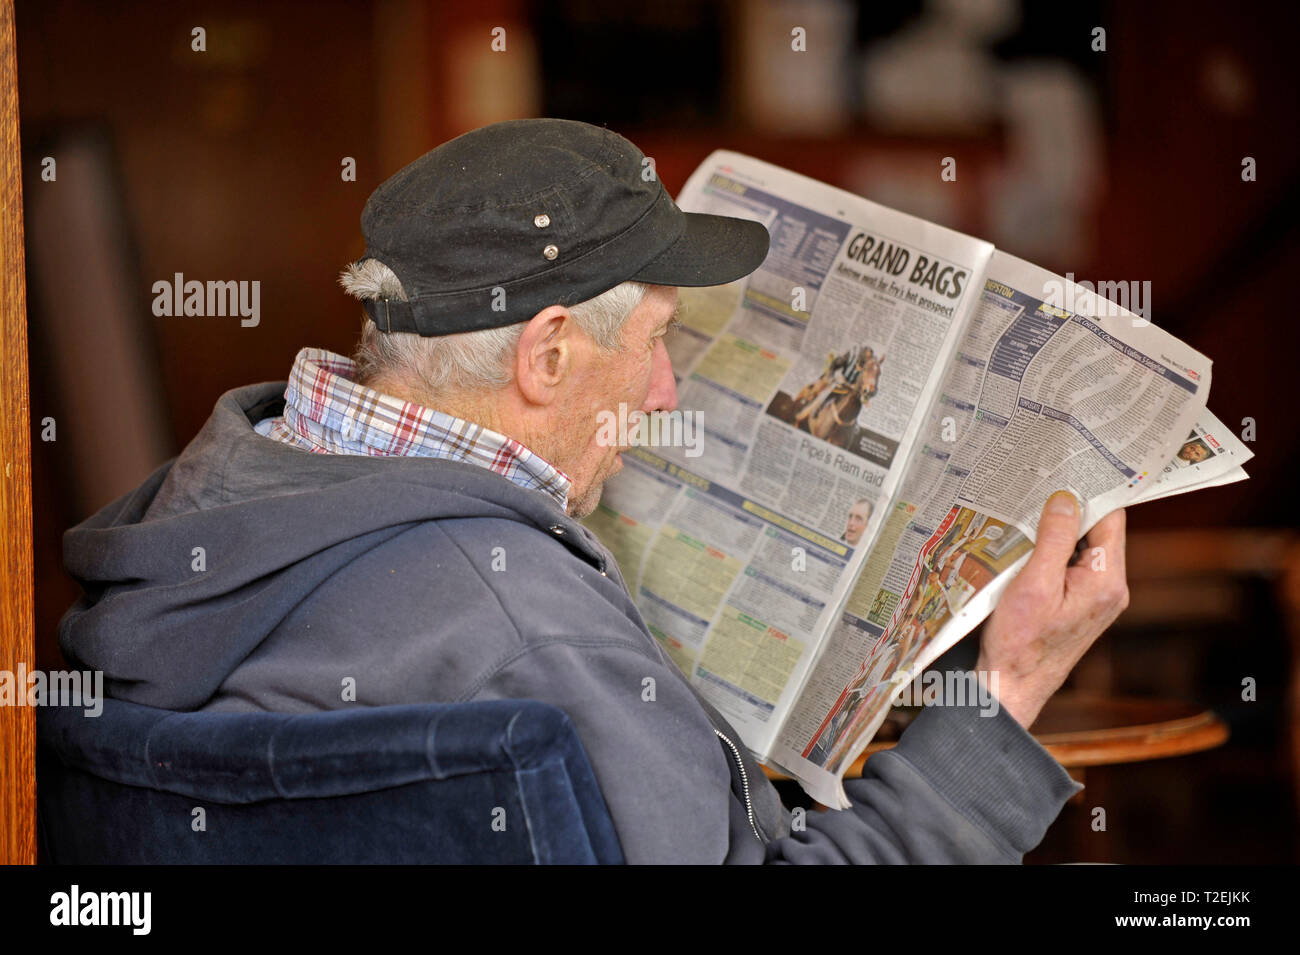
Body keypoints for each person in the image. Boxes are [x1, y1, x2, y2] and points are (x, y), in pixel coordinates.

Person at [59, 118, 1129, 864]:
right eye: (659, 341)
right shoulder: (522, 627)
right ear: (549, 357)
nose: (666, 391)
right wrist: (1005, 695)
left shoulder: (187, 508)